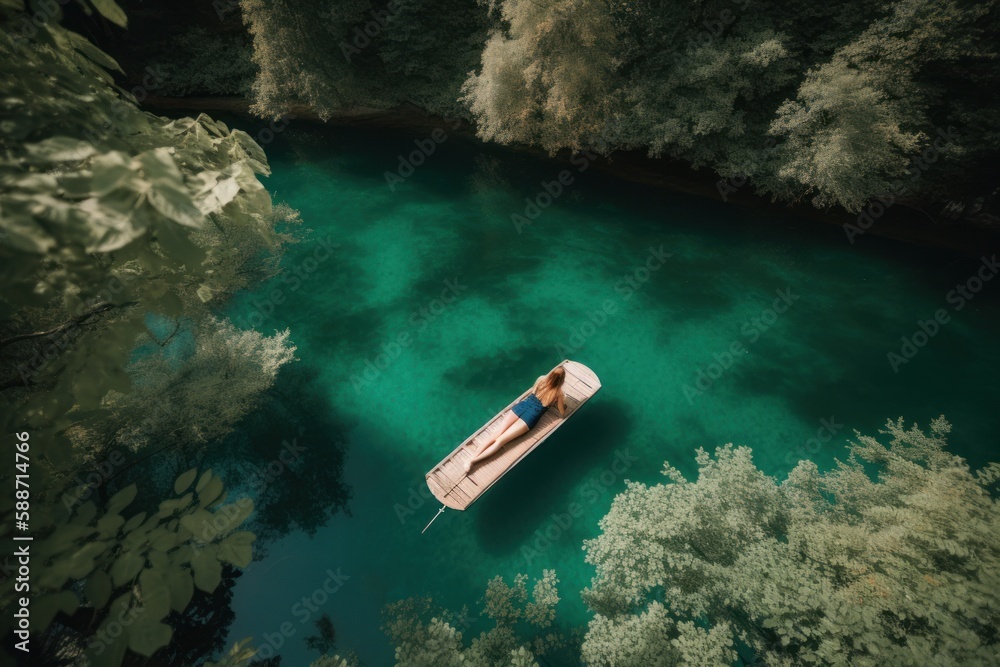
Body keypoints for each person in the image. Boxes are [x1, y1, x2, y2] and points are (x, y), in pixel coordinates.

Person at [464, 366, 567, 473]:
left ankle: (471, 458)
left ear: (551, 374)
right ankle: (473, 462)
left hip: (522, 406)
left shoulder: (541, 379)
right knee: (501, 440)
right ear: (561, 381)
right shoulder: (558, 393)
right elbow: (562, 413)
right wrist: (562, 403)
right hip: (531, 416)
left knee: (496, 434)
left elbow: (533, 391)